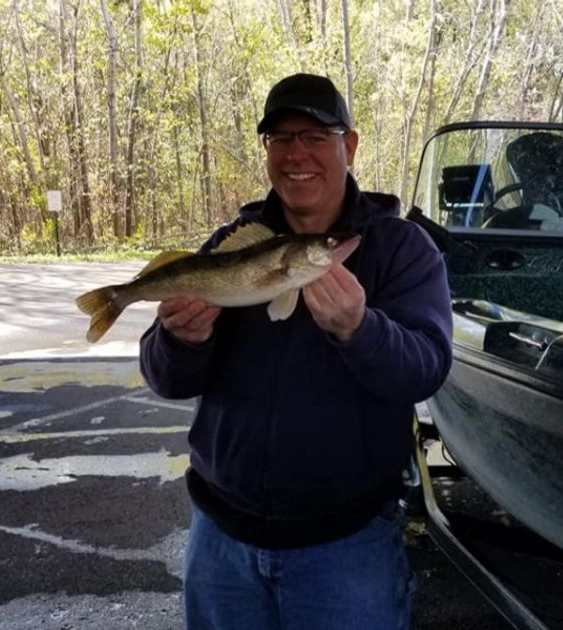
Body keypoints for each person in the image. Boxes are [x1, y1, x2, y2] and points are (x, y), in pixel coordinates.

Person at [139, 72, 453, 630]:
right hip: (221, 541)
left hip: (347, 547)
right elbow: (166, 378)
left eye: (314, 136)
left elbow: (425, 370)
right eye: (280, 139)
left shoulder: (402, 249)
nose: (295, 154)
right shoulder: (230, 245)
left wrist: (361, 330)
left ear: (348, 146)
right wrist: (179, 340)